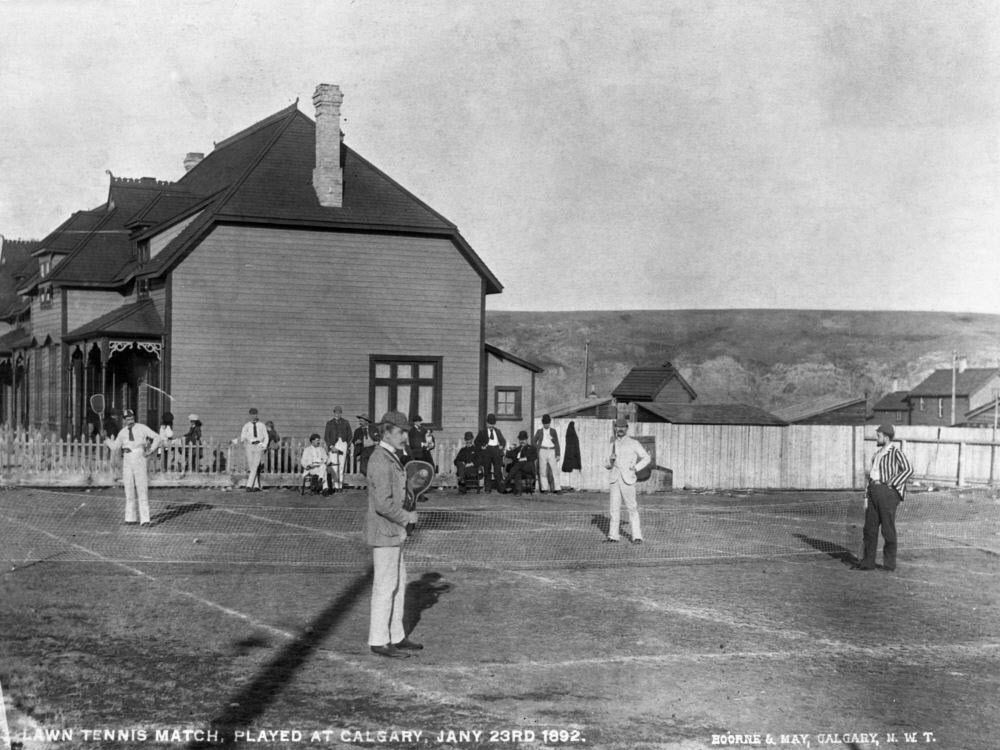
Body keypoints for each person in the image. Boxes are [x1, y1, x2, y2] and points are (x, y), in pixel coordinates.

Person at [365, 410, 421, 658]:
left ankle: (396, 636)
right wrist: (406, 517)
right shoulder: (379, 459)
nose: (405, 437)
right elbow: (382, 504)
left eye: (406, 432)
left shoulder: (390, 457)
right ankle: (379, 640)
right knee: (385, 587)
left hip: (394, 532)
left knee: (398, 585)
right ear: (386, 431)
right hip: (385, 532)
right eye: (400, 432)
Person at [854, 423, 913, 572]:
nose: (877, 437)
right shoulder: (878, 454)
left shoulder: (895, 452)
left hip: (887, 493)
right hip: (874, 491)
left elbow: (908, 469)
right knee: (869, 529)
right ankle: (868, 563)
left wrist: (892, 483)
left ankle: (889, 565)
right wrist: (866, 497)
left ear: (886, 437)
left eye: (879, 435)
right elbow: (872, 477)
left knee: (887, 529)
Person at [106, 409, 160, 526]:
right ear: (124, 420)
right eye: (128, 419)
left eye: (132, 418)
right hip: (127, 459)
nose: (130, 421)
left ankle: (145, 520)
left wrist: (150, 450)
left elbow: (157, 437)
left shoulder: (142, 428)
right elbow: (115, 447)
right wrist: (106, 440)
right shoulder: (122, 432)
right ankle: (130, 518)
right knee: (128, 488)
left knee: (141, 488)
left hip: (139, 457)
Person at [604, 417, 651, 544]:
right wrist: (610, 461)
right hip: (614, 479)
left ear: (626, 428)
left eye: (622, 427)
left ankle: (637, 536)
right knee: (614, 509)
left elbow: (647, 458)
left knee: (632, 508)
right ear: (615, 428)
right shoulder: (612, 444)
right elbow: (606, 465)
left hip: (628, 480)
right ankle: (613, 536)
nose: (620, 429)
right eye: (618, 427)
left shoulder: (633, 443)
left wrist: (635, 468)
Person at [474, 413, 506, 493]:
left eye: (493, 424)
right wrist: (482, 447)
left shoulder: (497, 431)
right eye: (490, 424)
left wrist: (501, 446)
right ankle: (488, 488)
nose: (491, 426)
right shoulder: (482, 432)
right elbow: (476, 442)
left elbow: (503, 441)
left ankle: (500, 488)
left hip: (496, 451)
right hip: (487, 451)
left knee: (497, 470)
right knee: (487, 469)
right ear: (487, 423)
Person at [240, 408, 269, 491]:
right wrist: (246, 441)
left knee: (255, 465)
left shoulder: (261, 425)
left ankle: (248, 485)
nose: (253, 416)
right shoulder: (246, 426)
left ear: (257, 415)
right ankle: (256, 486)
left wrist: (264, 445)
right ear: (249, 415)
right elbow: (242, 437)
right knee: (251, 466)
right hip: (250, 446)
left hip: (259, 445)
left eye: (255, 414)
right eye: (251, 414)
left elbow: (266, 436)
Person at [533, 414, 562, 494]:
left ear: (550, 423)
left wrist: (558, 454)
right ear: (543, 423)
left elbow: (556, 443)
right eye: (545, 423)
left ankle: (558, 488)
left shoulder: (553, 431)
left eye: (548, 423)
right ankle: (544, 489)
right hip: (542, 451)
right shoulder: (539, 431)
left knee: (555, 470)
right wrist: (539, 447)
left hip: (552, 451)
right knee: (542, 471)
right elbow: (534, 441)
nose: (546, 425)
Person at [324, 406, 352, 489]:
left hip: (343, 444)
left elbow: (350, 435)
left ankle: (340, 486)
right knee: (334, 466)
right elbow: (326, 437)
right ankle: (334, 485)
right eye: (336, 412)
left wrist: (347, 445)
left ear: (341, 413)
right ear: (334, 413)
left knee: (342, 466)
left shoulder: (346, 422)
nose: (337, 414)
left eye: (339, 412)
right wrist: (331, 446)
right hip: (334, 445)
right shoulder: (329, 423)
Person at [505, 430, 537, 497]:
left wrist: (525, 458)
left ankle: (506, 481)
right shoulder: (517, 449)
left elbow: (535, 456)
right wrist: (509, 448)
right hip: (519, 469)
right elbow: (508, 455)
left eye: (523, 439)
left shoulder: (531, 448)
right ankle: (518, 491)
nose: (522, 441)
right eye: (520, 440)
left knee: (519, 464)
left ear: (527, 439)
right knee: (518, 471)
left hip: (528, 468)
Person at [561, 420, 582, 491]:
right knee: (575, 472)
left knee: (572, 472)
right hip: (574, 457)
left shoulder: (569, 435)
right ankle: (574, 486)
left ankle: (572, 486)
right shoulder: (573, 436)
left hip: (570, 456)